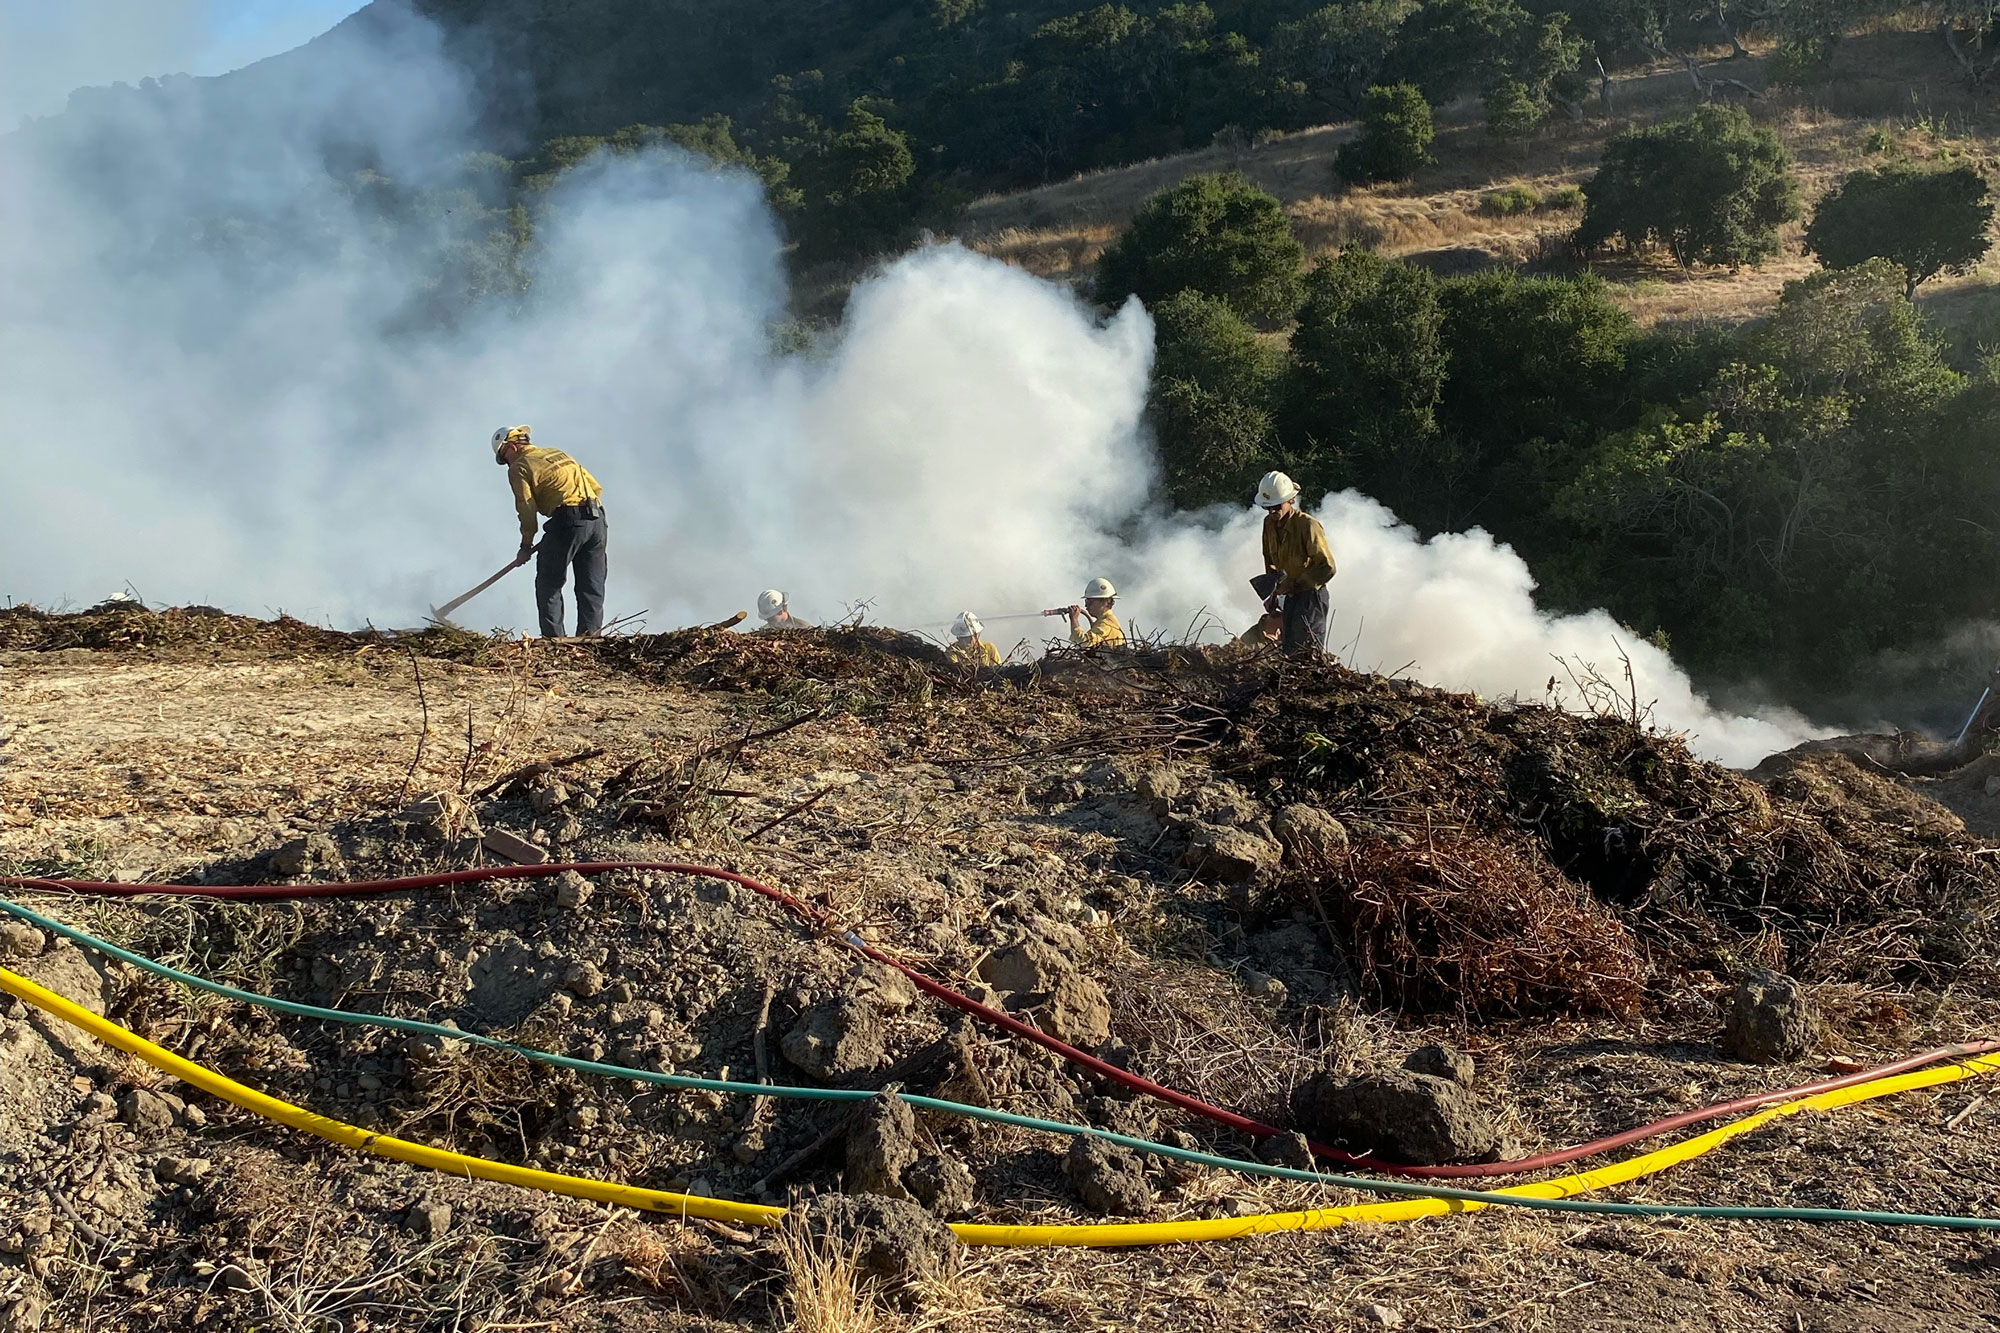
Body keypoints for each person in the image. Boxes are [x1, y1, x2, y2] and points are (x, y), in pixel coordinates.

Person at [494, 425, 607, 638]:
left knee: (549, 582)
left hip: (567, 519)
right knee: (591, 584)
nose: (507, 463)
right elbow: (595, 486)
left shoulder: (519, 467)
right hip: (598, 520)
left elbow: (526, 510)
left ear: (511, 447)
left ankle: (555, 641)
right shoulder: (557, 453)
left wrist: (525, 546)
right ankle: (591, 638)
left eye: (504, 457)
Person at [1256, 470, 1335, 655]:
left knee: (1306, 653)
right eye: (1268, 508)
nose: (1272, 512)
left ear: (1290, 500)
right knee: (1289, 651)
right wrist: (1272, 594)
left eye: (1276, 506)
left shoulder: (1308, 525)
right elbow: (1270, 561)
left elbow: (1327, 567)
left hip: (1311, 597)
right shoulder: (1268, 524)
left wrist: (1295, 584)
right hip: (1290, 596)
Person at [1047, 577, 1125, 648]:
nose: (1086, 605)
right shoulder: (1105, 621)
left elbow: (1083, 643)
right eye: (1086, 601)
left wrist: (1074, 620)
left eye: (1090, 601)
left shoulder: (1106, 624)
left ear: (1105, 601)